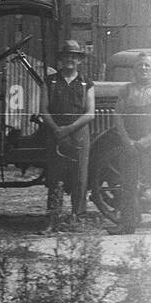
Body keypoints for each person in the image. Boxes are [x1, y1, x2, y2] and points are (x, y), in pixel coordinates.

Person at [112, 53, 151, 234]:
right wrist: (126, 140)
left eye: (147, 65)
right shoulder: (126, 90)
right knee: (128, 182)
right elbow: (117, 116)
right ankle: (128, 223)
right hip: (130, 143)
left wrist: (148, 140)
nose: (143, 68)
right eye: (140, 65)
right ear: (134, 68)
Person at [39, 40, 95, 232]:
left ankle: (78, 219)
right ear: (61, 59)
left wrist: (69, 128)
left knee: (80, 178)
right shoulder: (50, 81)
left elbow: (90, 113)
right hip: (56, 134)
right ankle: (53, 220)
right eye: (66, 56)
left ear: (79, 60)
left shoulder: (87, 83)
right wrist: (57, 129)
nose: (70, 60)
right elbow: (44, 110)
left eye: (74, 56)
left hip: (79, 134)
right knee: (55, 177)